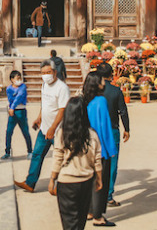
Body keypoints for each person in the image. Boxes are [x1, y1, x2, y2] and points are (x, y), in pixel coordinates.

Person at [15, 60, 70, 193]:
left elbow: (63, 110)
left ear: (55, 72)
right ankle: (30, 182)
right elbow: (44, 103)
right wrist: (39, 118)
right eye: (43, 73)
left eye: (48, 72)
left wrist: (53, 128)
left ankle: (60, 185)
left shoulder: (62, 88)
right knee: (37, 154)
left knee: (61, 158)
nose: (46, 75)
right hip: (44, 128)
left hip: (58, 130)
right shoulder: (44, 84)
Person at [48, 96, 102, 230]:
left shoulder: (62, 133)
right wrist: (99, 178)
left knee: (69, 222)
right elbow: (97, 159)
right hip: (86, 181)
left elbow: (58, 157)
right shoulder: (92, 134)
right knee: (80, 220)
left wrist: (52, 178)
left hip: (66, 183)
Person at [82, 71, 118, 226]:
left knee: (90, 181)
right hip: (101, 148)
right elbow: (104, 128)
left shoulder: (85, 100)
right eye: (102, 81)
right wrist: (111, 150)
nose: (104, 83)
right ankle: (98, 216)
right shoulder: (101, 101)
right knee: (100, 182)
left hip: (87, 146)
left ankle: (90, 211)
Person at [95, 63, 130, 208]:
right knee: (112, 164)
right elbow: (123, 111)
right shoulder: (116, 91)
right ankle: (108, 195)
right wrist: (127, 129)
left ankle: (94, 194)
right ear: (111, 75)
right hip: (112, 130)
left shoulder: (93, 90)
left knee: (95, 161)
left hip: (94, 130)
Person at [2, 70, 33, 160]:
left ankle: (30, 151)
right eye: (17, 78)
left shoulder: (23, 87)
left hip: (21, 111)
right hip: (13, 112)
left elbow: (19, 97)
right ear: (12, 79)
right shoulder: (9, 89)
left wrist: (12, 107)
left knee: (25, 132)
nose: (19, 80)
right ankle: (7, 152)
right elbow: (11, 99)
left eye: (20, 78)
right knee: (8, 132)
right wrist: (12, 108)